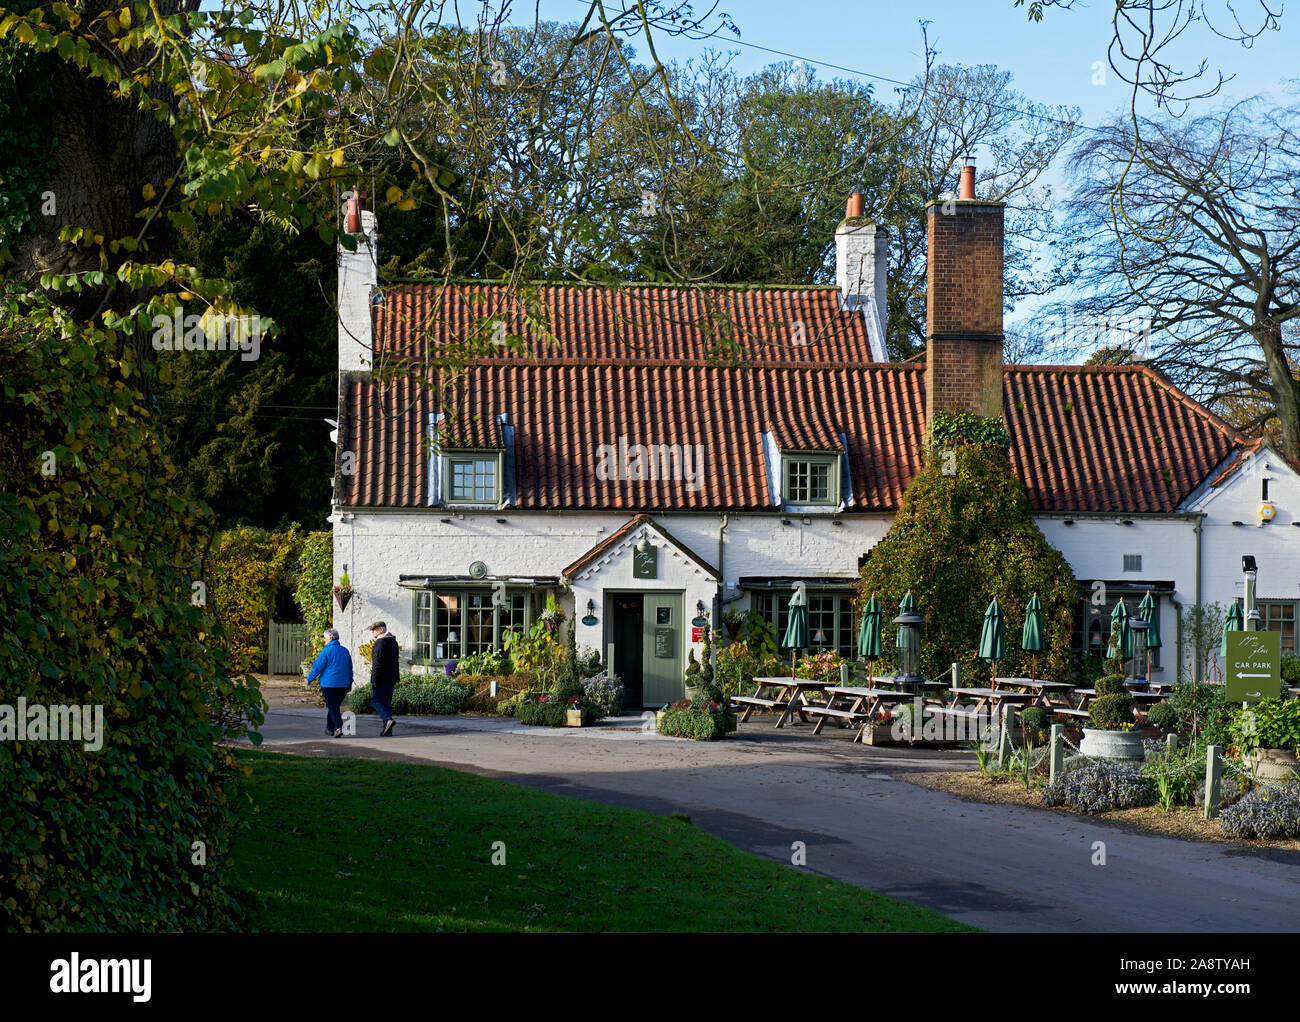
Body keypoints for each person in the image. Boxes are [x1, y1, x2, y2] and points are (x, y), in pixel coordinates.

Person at [306, 628, 353, 737]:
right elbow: (350, 668)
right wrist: (350, 682)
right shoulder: (345, 651)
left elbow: (317, 666)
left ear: (331, 638)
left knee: (332, 706)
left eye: (325, 638)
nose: (324, 640)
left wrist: (310, 678)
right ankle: (329, 728)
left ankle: (338, 726)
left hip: (329, 684)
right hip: (344, 685)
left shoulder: (326, 651)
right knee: (334, 706)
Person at [368, 620, 400, 736]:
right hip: (391, 677)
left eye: (375, 630)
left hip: (381, 677)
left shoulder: (380, 643)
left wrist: (375, 678)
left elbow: (377, 663)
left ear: (382, 630)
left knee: (376, 700)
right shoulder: (393, 641)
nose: (372, 632)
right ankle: (388, 730)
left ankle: (388, 719)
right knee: (386, 703)